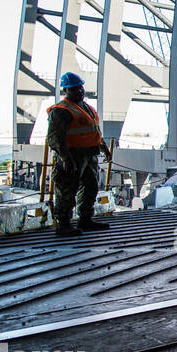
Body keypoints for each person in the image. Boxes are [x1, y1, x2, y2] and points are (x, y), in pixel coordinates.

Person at [45, 72, 112, 236]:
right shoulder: (61, 111)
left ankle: (85, 219)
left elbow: (94, 132)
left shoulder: (87, 107)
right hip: (72, 156)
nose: (79, 91)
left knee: (91, 187)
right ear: (66, 91)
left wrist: (104, 148)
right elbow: (54, 138)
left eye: (80, 88)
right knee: (67, 190)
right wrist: (65, 157)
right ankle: (64, 224)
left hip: (90, 154)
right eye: (74, 89)